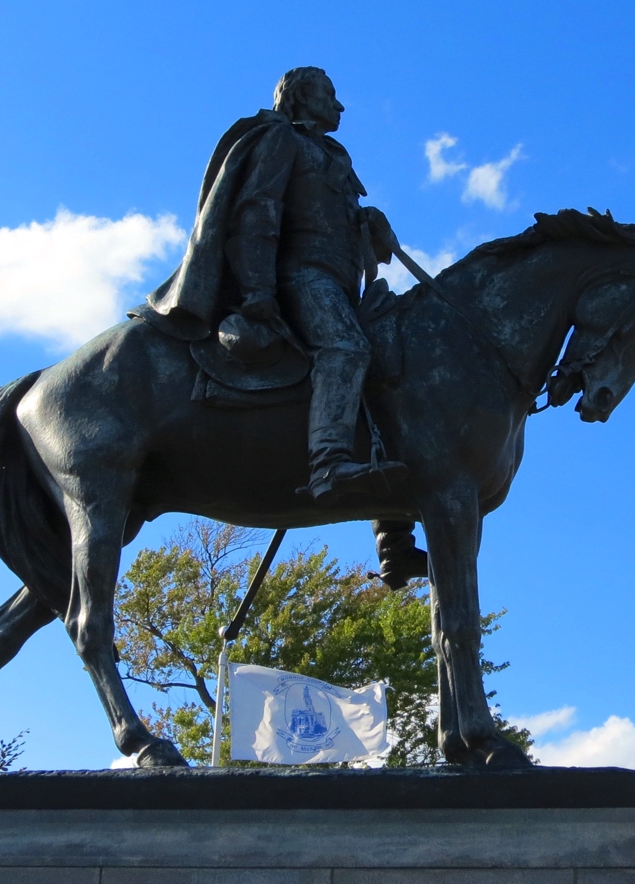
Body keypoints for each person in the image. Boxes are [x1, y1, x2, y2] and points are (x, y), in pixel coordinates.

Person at [139, 67, 427, 584]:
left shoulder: (335, 156)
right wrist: (257, 292)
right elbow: (258, 210)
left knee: (393, 369)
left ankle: (395, 542)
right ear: (300, 97)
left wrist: (367, 223)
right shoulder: (278, 139)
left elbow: (325, 213)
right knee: (345, 350)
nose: (340, 107)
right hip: (301, 276)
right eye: (330, 95)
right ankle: (328, 464)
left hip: (341, 283)